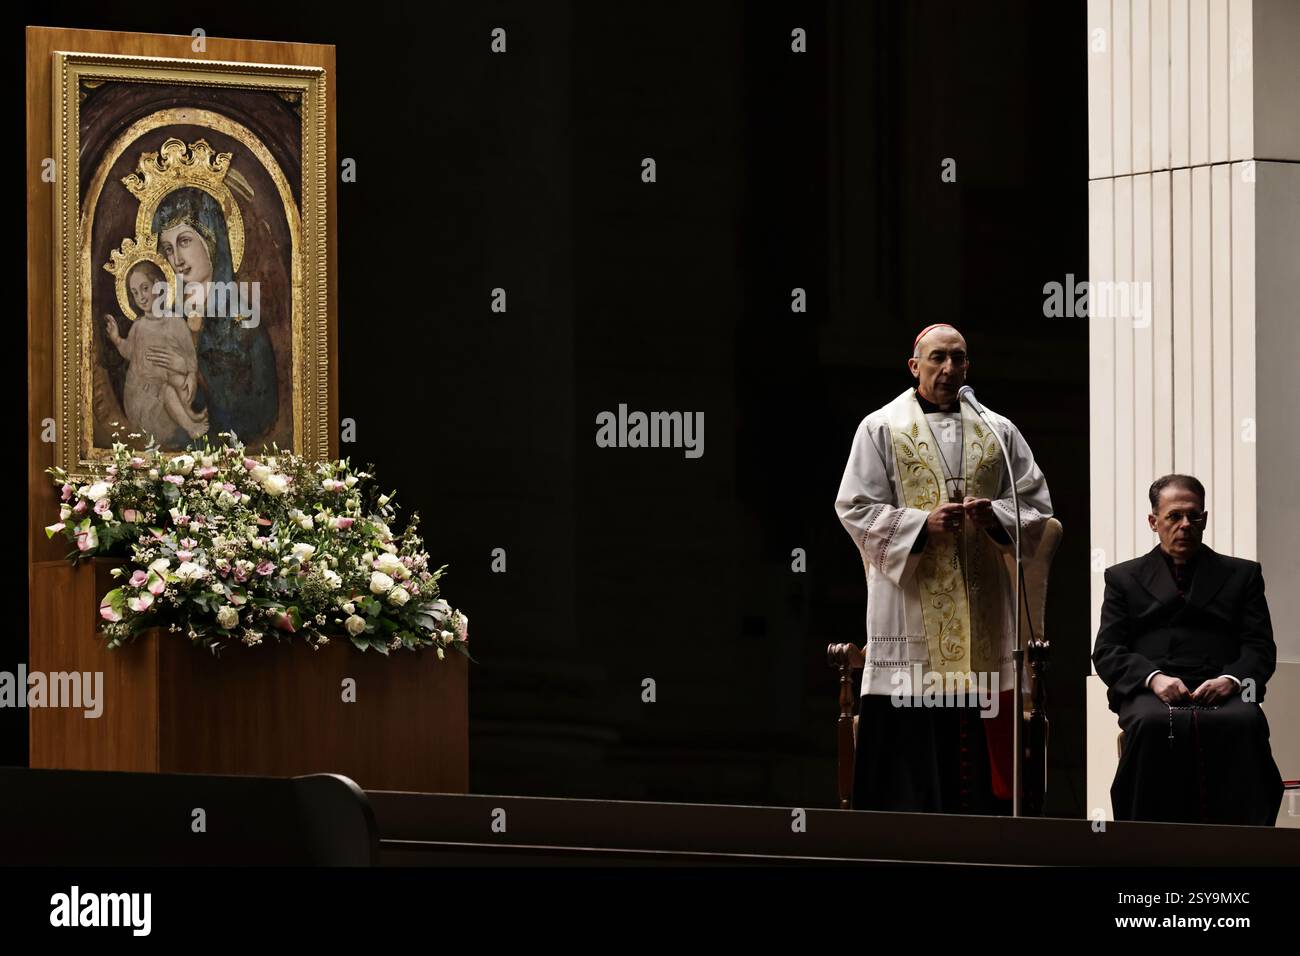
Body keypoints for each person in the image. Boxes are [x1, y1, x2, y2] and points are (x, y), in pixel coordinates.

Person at [834, 323, 1054, 813]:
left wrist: (993, 515)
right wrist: (920, 525)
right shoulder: (881, 427)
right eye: (938, 358)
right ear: (915, 366)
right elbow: (854, 506)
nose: (949, 368)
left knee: (972, 756)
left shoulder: (998, 430)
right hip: (910, 606)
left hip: (980, 603)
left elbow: (1038, 507)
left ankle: (981, 832)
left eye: (958, 359)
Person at [1092, 474, 1284, 825]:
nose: (1185, 526)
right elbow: (1107, 650)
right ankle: (1143, 842)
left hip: (1224, 691)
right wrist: (1153, 679)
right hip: (1153, 691)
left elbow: (1260, 646)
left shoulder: (1242, 575)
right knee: (1152, 723)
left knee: (1246, 722)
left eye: (1194, 517)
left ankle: (1247, 847)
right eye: (1174, 516)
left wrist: (1232, 680)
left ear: (1205, 519)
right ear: (1154, 522)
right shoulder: (1123, 578)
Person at [103, 260, 210, 445]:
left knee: (177, 381)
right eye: (135, 293)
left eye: (145, 288)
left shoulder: (176, 323)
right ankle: (191, 426)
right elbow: (129, 352)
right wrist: (116, 339)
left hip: (170, 384)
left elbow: (189, 355)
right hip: (142, 396)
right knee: (168, 388)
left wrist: (191, 374)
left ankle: (190, 414)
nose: (141, 297)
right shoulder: (138, 326)